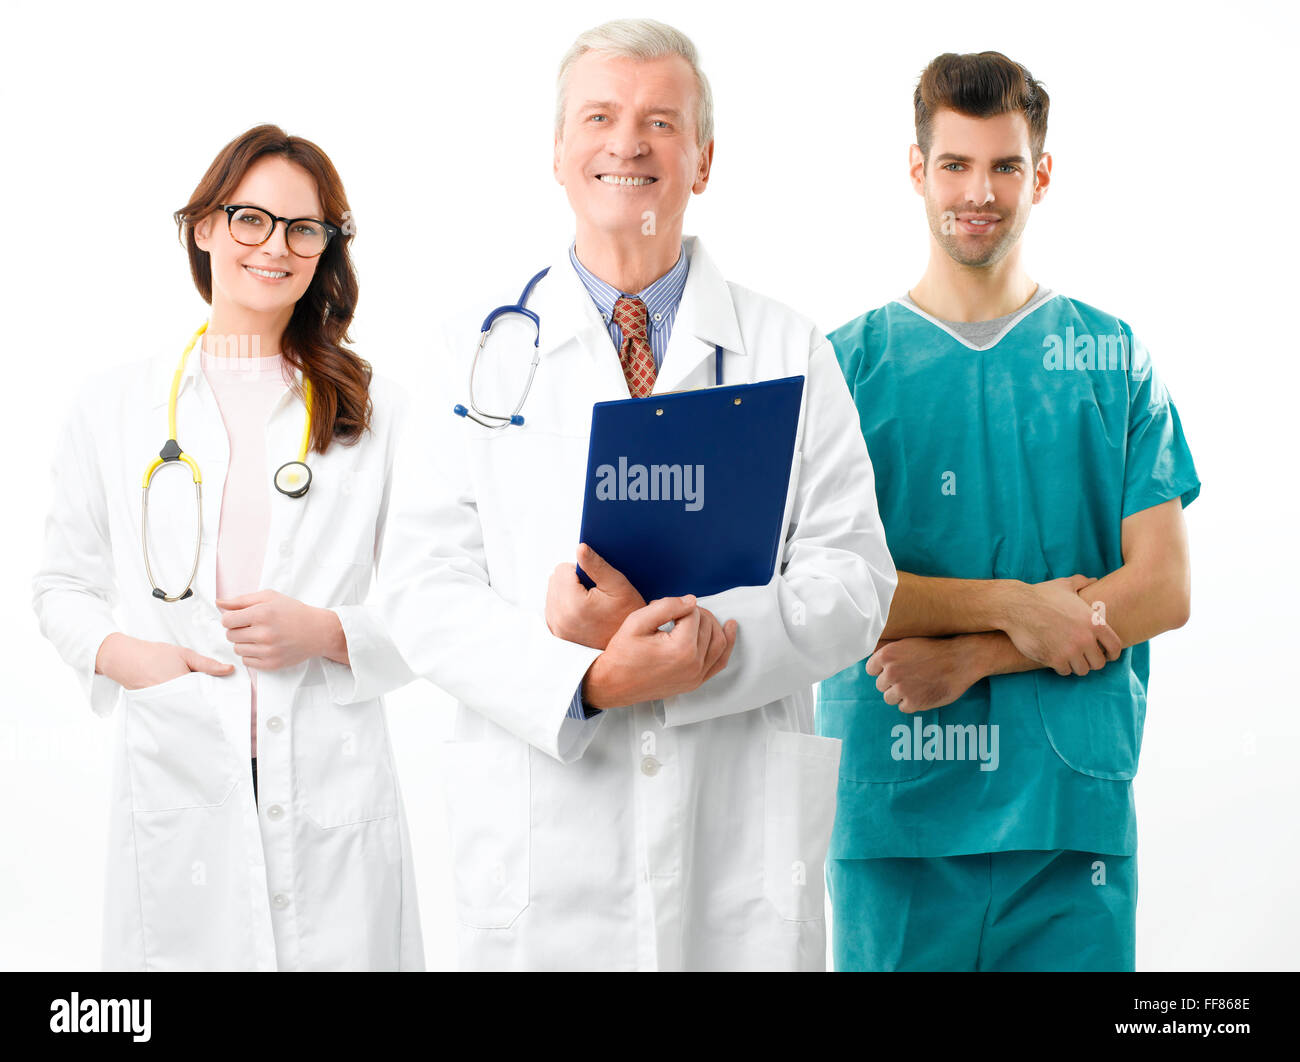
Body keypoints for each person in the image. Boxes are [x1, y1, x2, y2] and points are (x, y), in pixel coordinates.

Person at [360, 19, 895, 971]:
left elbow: (855, 577)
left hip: (736, 845)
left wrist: (707, 651)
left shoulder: (786, 347)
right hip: (546, 841)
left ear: (704, 157)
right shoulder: (474, 355)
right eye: (600, 117)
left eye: (660, 120)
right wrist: (592, 680)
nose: (627, 142)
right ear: (558, 153)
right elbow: (420, 590)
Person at [819, 52, 1200, 971]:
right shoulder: (843, 371)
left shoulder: (1109, 361)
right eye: (954, 164)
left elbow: (1163, 587)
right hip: (899, 818)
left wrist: (984, 651)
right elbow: (827, 584)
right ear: (917, 171)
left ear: (1042, 174)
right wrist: (1021, 605)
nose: (978, 191)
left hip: (1070, 824)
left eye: (1004, 166)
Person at [31, 124, 423, 971]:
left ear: (325, 251)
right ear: (203, 228)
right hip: (181, 759)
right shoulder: (114, 407)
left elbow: (435, 602)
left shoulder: (377, 411)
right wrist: (127, 655)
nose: (275, 247)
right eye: (250, 219)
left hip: (328, 773)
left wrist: (327, 633)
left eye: (303, 229)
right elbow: (61, 585)